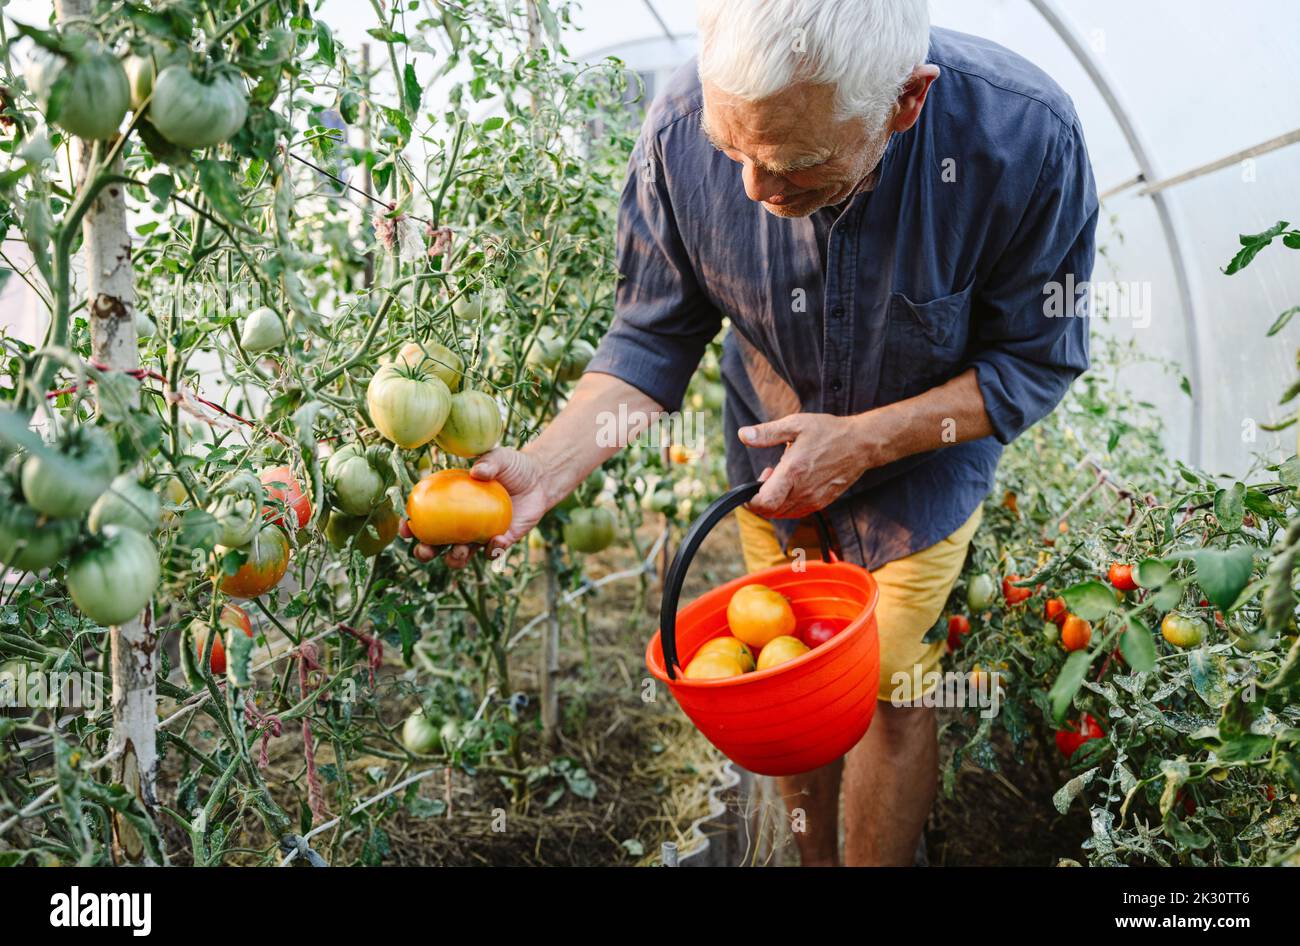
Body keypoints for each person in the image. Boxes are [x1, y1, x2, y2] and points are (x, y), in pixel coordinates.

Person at [446, 0, 1097, 866]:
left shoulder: (1025, 141)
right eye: (734, 151)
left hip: (920, 476)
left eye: (798, 163)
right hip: (772, 475)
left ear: (906, 102)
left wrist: (866, 440)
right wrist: (545, 468)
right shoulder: (681, 126)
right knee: (787, 689)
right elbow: (652, 336)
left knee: (889, 688)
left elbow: (1036, 361)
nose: (755, 189)